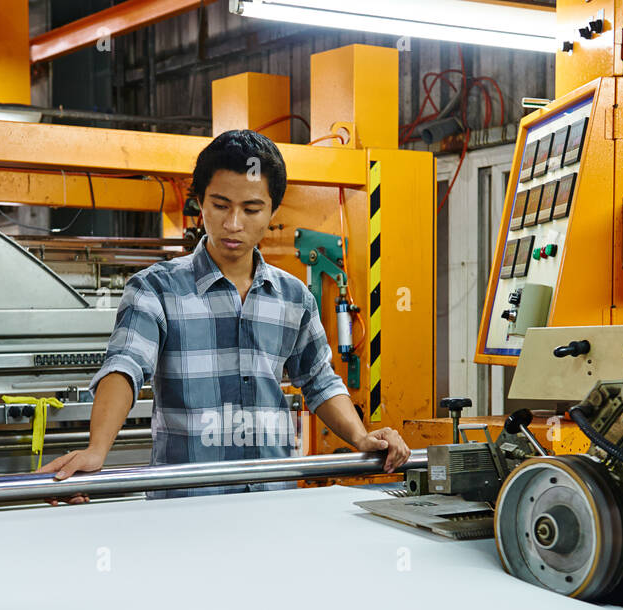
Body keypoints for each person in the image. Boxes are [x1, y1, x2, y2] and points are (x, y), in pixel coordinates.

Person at [40, 129, 410, 499]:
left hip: (271, 500)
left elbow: (318, 380)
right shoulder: (156, 289)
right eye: (220, 205)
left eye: (251, 209)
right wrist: (97, 450)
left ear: (272, 210)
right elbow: (125, 365)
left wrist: (361, 437)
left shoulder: (293, 296)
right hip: (187, 508)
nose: (234, 223)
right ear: (200, 203)